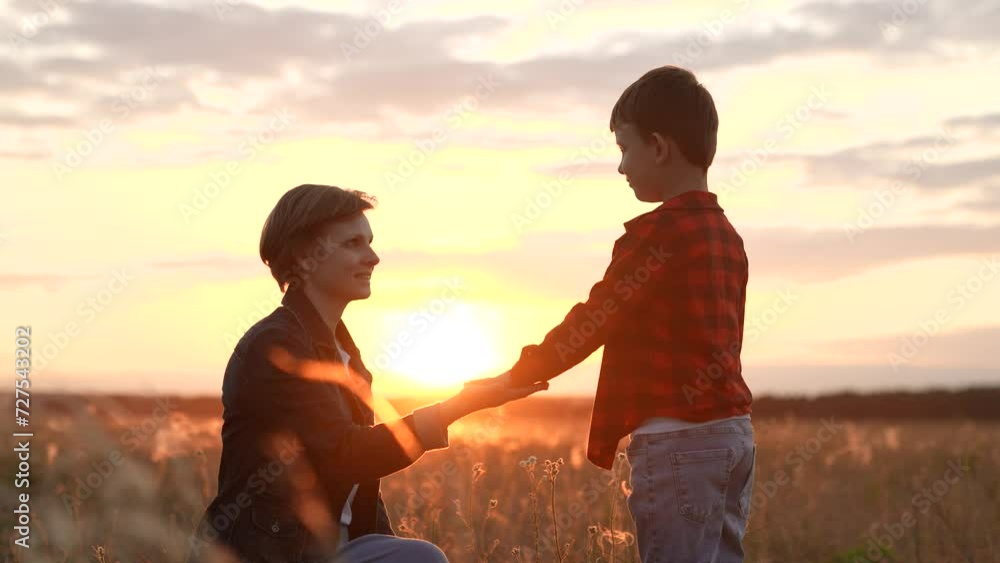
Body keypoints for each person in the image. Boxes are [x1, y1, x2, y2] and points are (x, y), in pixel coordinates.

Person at [471, 65, 756, 562]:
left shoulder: (656, 236)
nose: (621, 167)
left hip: (677, 442)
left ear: (660, 147)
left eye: (625, 149)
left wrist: (523, 372)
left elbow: (595, 319)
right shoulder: (727, 235)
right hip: (733, 435)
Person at [187, 184, 547, 563]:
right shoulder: (277, 346)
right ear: (305, 256)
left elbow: (357, 490)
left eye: (370, 242)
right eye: (353, 243)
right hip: (271, 553)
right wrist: (457, 406)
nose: (373, 257)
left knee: (418, 558)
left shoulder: (343, 352)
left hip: (331, 549)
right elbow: (347, 454)